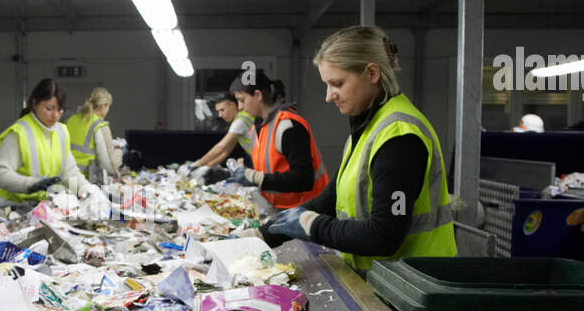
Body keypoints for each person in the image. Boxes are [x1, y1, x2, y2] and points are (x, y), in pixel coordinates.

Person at [265, 26, 457, 272]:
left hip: (417, 288)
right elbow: (329, 199)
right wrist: (263, 235)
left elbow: (385, 235)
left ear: (372, 73)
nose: (328, 96)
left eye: (337, 83)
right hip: (386, 283)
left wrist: (312, 225)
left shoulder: (399, 138)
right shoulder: (367, 129)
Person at [221, 69, 328, 209]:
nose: (240, 107)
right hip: (278, 208)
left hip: (307, 210)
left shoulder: (288, 125)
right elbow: (269, 173)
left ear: (258, 95)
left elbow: (304, 179)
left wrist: (254, 177)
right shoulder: (256, 130)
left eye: (242, 100)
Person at [0, 79, 96, 206]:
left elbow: (70, 173)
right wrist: (31, 184)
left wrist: (91, 194)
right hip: (11, 209)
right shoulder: (19, 133)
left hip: (41, 209)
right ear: (34, 103)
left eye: (60, 109)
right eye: (49, 108)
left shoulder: (61, 131)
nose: (55, 115)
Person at [64, 86, 123, 178]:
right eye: (108, 106)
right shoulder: (100, 126)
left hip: (66, 178)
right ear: (103, 106)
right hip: (85, 181)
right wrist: (120, 151)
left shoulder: (70, 120)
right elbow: (109, 166)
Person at [193, 95, 256, 168]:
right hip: (259, 157)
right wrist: (206, 167)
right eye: (218, 111)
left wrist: (198, 163)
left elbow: (221, 147)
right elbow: (226, 151)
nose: (220, 115)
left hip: (262, 158)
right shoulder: (244, 116)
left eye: (222, 110)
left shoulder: (239, 121)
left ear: (233, 105)